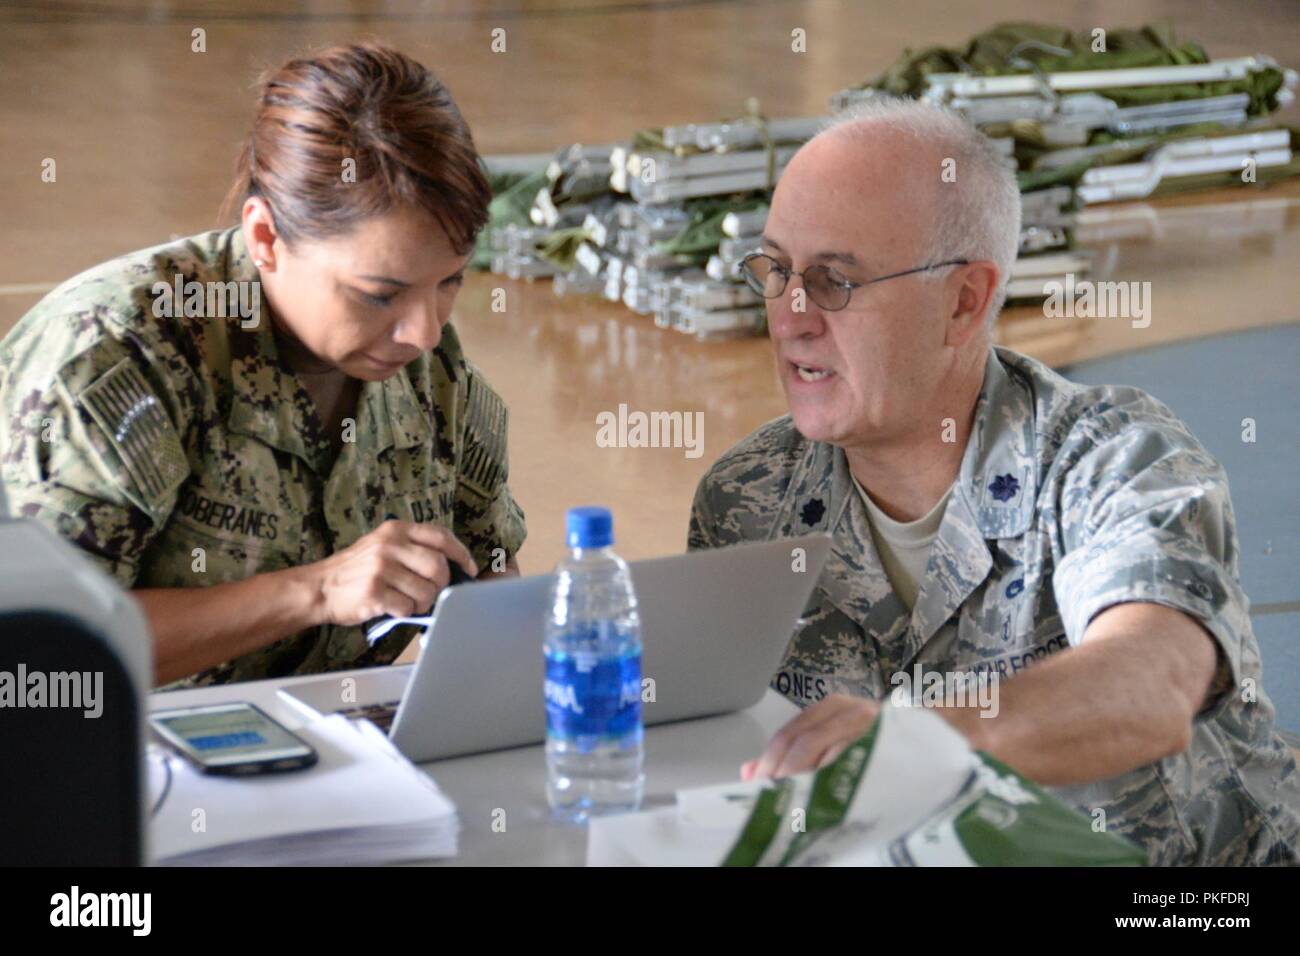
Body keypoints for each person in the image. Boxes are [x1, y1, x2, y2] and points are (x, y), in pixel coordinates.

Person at [687, 97, 1300, 865]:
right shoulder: (746, 503)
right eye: (775, 271)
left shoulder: (1110, 459)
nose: (790, 317)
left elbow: (1152, 682)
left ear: (964, 300)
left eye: (834, 282)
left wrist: (918, 737)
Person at [0, 42, 525, 689]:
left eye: (451, 281)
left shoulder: (430, 365)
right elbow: (44, 651)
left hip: (332, 749)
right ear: (266, 238)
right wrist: (314, 591)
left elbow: (492, 559)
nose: (424, 330)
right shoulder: (118, 358)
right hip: (124, 757)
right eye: (380, 294)